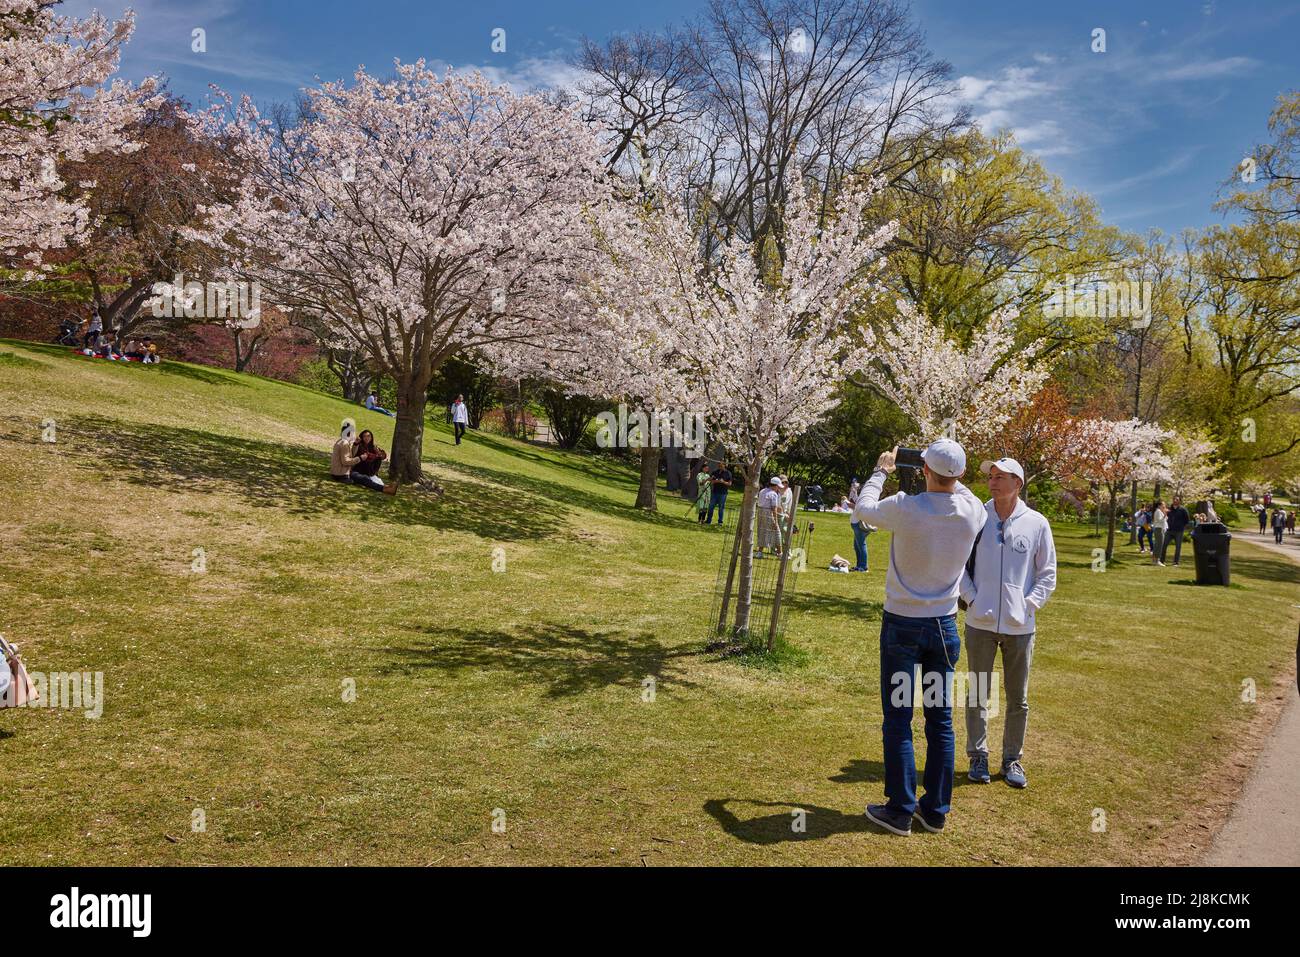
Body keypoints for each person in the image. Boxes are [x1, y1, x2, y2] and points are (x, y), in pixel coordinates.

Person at [853, 438, 985, 837]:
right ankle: (936, 810)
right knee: (939, 720)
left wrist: (882, 470)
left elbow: (863, 510)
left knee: (898, 718)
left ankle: (900, 807)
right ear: (960, 476)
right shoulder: (972, 512)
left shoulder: (905, 507)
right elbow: (959, 487)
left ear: (924, 470)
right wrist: (946, 469)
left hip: (902, 625)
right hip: (942, 628)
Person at [960, 458, 1057, 790]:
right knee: (977, 693)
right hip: (979, 622)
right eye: (991, 476)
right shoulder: (978, 517)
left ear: (1018, 483)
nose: (993, 481)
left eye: (1001, 477)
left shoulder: (1037, 523)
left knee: (1018, 698)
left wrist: (1027, 606)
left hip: (1020, 627)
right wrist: (973, 598)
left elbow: (1047, 574)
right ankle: (978, 756)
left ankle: (1012, 759)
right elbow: (959, 564)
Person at [350, 430, 396, 494]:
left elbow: (383, 457)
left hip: (369, 471)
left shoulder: (372, 447)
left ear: (371, 438)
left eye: (368, 436)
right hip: (359, 469)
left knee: (377, 459)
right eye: (364, 436)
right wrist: (356, 444)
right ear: (362, 438)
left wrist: (378, 453)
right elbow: (353, 452)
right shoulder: (359, 445)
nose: (367, 438)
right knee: (365, 478)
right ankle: (385, 488)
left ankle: (386, 487)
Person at [755, 477, 782, 557]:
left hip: (760, 512)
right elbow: (774, 508)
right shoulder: (774, 494)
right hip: (768, 512)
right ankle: (780, 553)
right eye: (778, 486)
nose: (778, 488)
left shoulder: (762, 491)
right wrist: (776, 521)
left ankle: (760, 552)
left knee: (762, 531)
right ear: (775, 485)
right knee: (777, 532)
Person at [1162, 497, 1190, 565]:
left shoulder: (1183, 509)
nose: (1175, 501)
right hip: (1169, 530)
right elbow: (1165, 517)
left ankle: (1176, 562)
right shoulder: (1169, 509)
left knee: (1178, 547)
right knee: (1164, 545)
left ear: (1179, 501)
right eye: (1174, 499)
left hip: (1179, 531)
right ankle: (1161, 560)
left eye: (1177, 500)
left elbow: (1187, 520)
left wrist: (1181, 526)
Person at [1149, 500, 1167, 566]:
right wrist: (1164, 515)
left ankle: (1154, 560)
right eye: (1163, 504)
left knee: (1157, 545)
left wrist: (1164, 514)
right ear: (1159, 505)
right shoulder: (1158, 511)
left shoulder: (1159, 511)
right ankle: (1157, 560)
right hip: (1159, 529)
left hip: (1159, 529)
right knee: (1159, 545)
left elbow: (1165, 520)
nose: (1164, 506)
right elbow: (1160, 520)